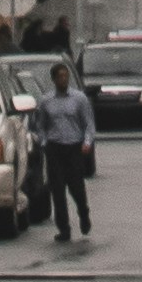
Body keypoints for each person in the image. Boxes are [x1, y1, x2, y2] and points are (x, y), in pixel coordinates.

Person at [35, 59, 96, 244]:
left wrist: (87, 142)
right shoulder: (46, 101)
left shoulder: (79, 99)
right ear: (53, 79)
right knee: (58, 190)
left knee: (76, 187)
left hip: (74, 148)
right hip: (55, 148)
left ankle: (83, 213)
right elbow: (40, 125)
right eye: (60, 76)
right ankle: (64, 229)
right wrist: (44, 142)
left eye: (65, 76)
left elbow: (88, 124)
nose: (63, 79)